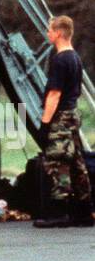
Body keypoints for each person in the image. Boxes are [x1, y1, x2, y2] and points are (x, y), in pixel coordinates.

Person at [34, 15, 93, 228]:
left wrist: (45, 123)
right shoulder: (75, 57)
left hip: (61, 116)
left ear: (58, 33)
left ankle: (58, 212)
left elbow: (54, 95)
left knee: (56, 161)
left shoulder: (60, 59)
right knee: (77, 162)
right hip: (72, 114)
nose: (48, 34)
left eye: (50, 30)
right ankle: (84, 211)